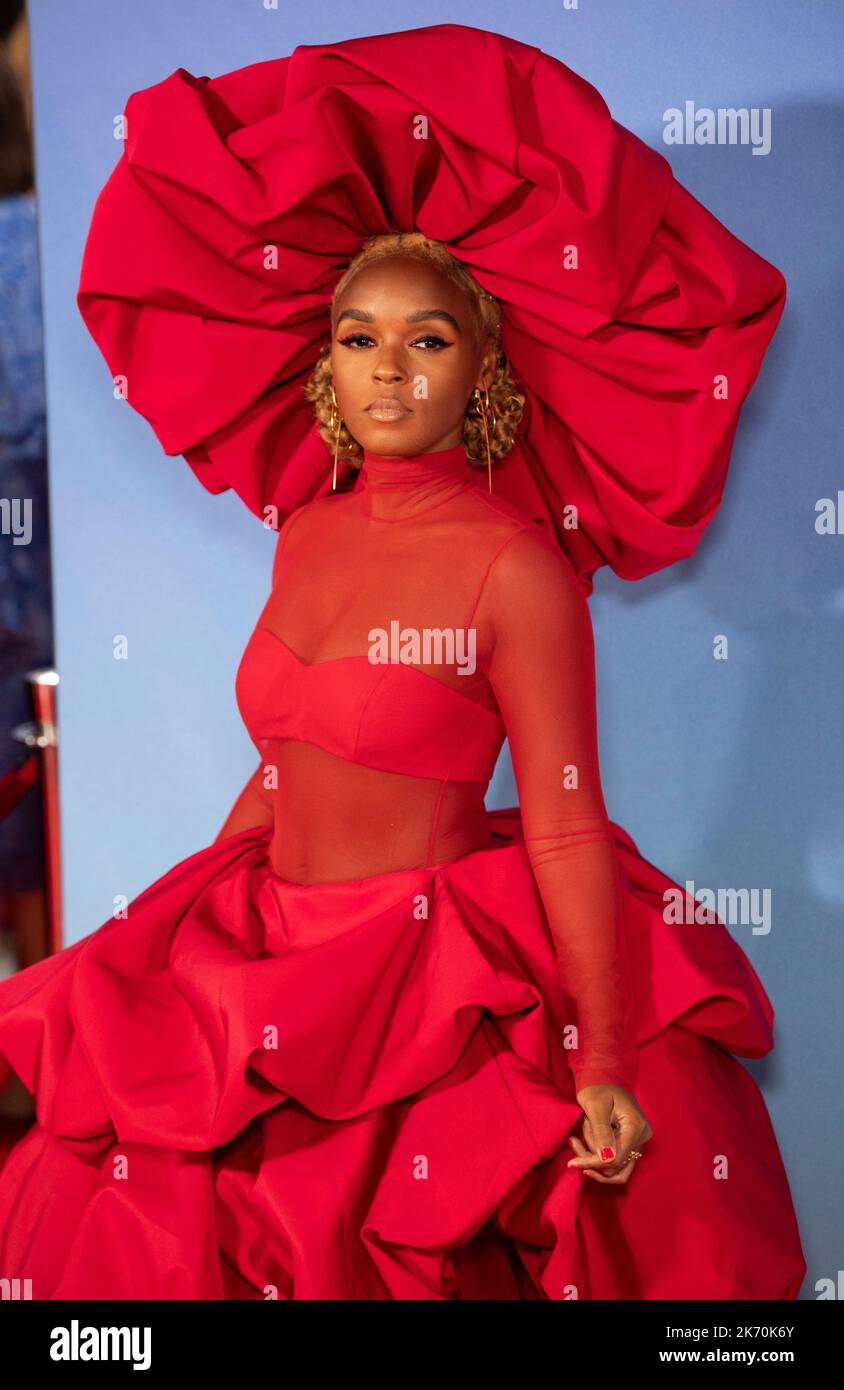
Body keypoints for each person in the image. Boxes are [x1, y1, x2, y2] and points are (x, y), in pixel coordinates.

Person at [0, 25, 806, 1300]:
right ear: (322, 361)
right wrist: (183, 935)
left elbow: (564, 821)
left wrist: (600, 1058)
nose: (386, 367)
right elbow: (289, 758)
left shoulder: (515, 568)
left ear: (483, 365)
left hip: (428, 990)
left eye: (426, 340)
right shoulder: (306, 530)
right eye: (355, 336)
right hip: (269, 948)